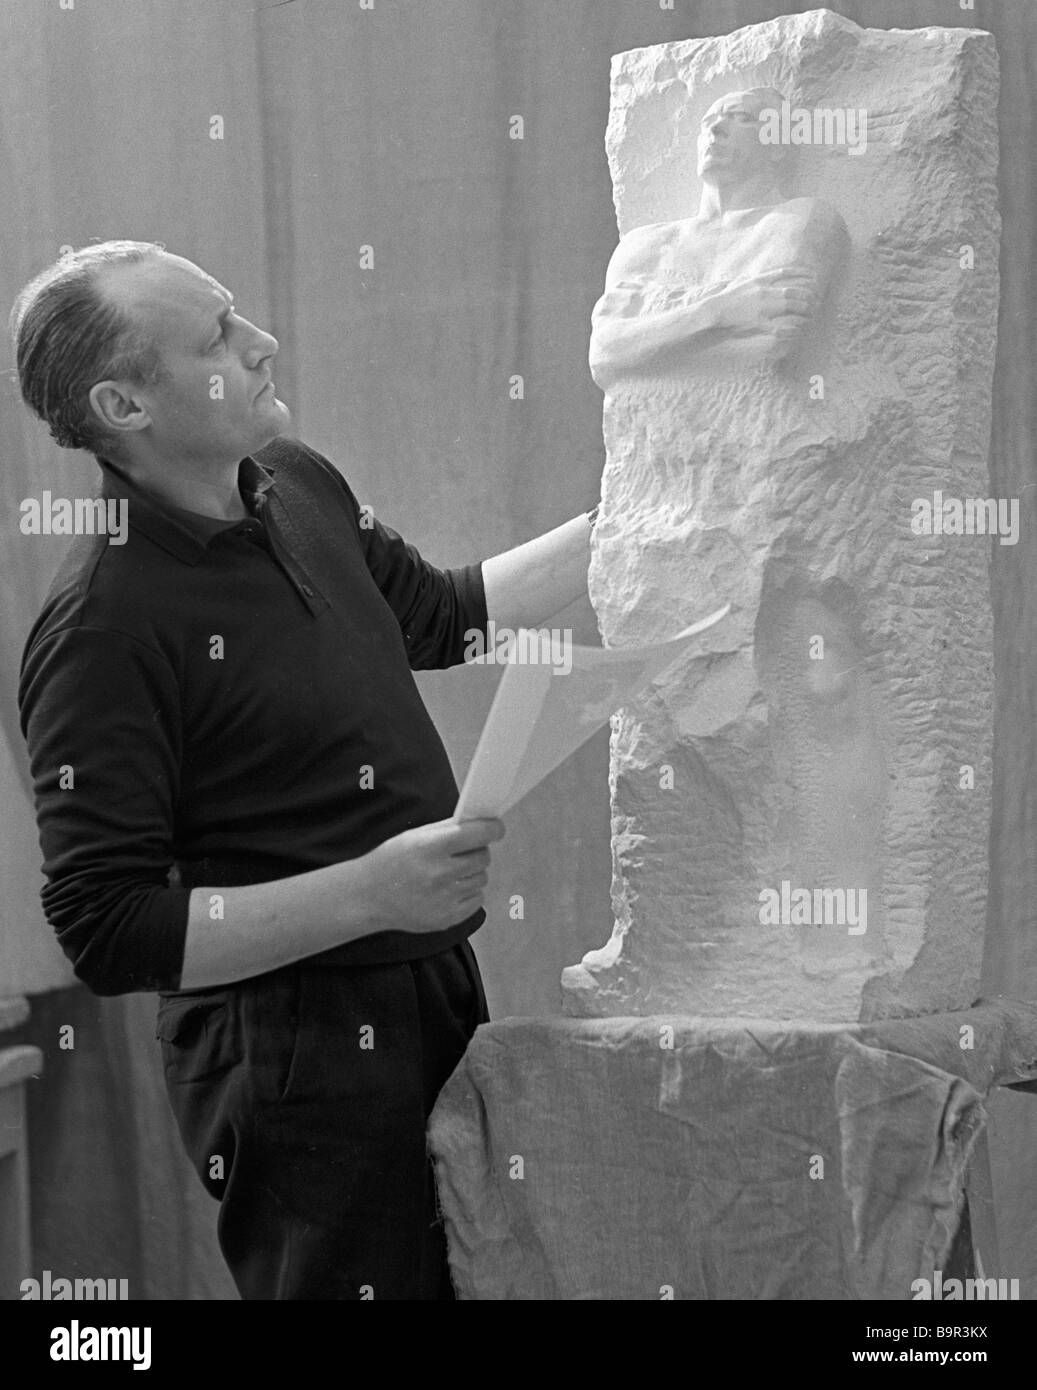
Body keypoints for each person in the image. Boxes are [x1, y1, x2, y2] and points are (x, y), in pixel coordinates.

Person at [13, 240, 593, 1300]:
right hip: (286, 1054)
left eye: (235, 312)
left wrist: (647, 516)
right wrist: (370, 891)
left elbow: (438, 618)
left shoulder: (295, 481)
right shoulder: (100, 623)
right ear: (124, 404)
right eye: (218, 338)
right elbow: (104, 925)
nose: (262, 341)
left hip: (428, 984)